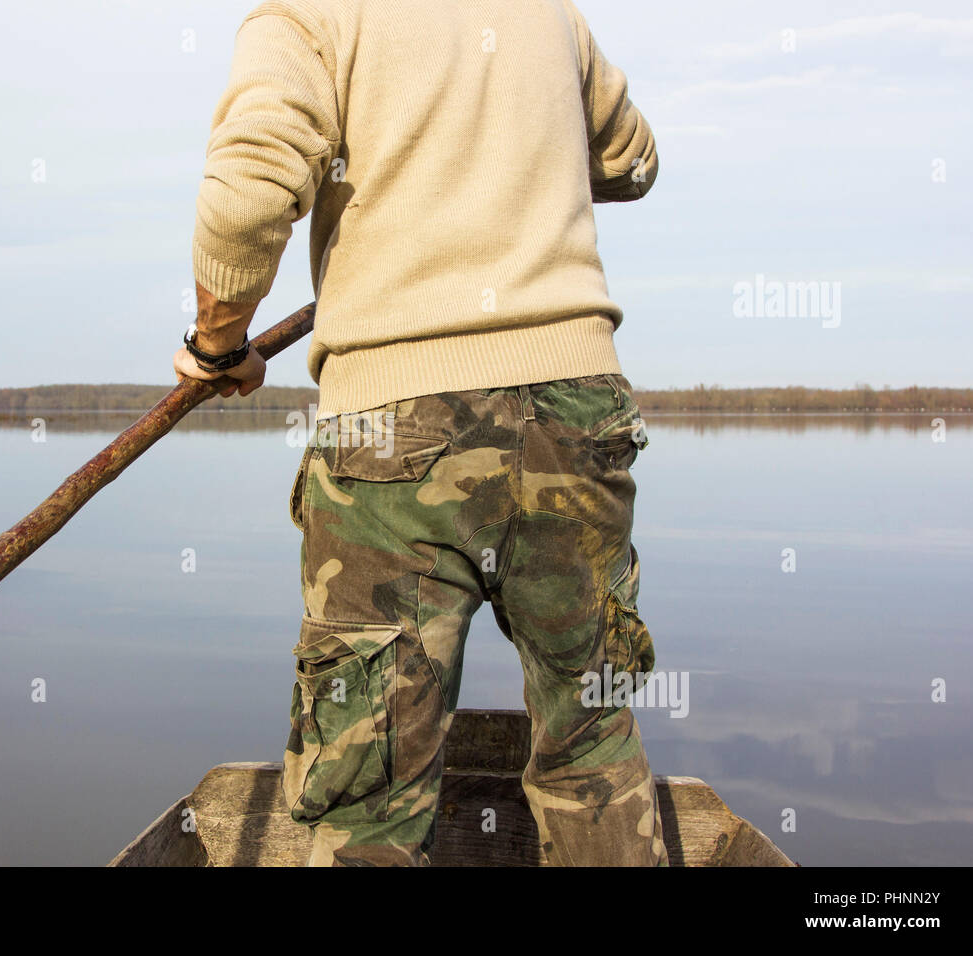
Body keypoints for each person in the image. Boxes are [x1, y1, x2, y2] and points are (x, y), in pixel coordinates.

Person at [173, 0, 664, 866]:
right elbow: (632, 161)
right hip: (577, 412)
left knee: (368, 791)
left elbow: (247, 197)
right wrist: (509, 146)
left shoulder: (304, 13)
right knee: (591, 737)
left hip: (395, 423)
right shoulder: (549, 12)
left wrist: (217, 345)